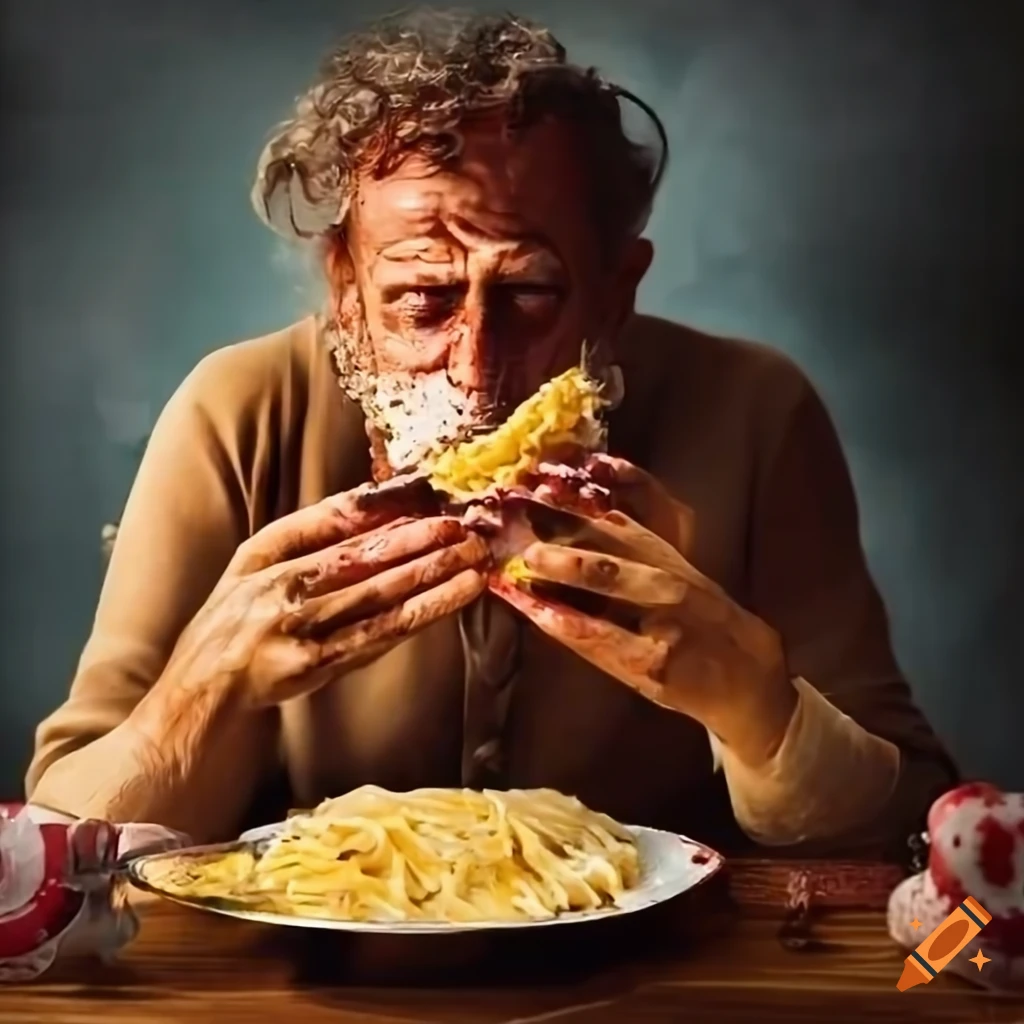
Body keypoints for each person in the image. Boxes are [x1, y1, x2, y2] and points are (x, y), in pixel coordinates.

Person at [26, 10, 954, 855]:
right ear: (345, 287)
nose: (475, 370)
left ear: (616, 292)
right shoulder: (238, 412)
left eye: (530, 294)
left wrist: (759, 713)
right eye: (421, 298)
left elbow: (911, 822)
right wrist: (201, 696)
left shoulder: (754, 410)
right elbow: (60, 837)